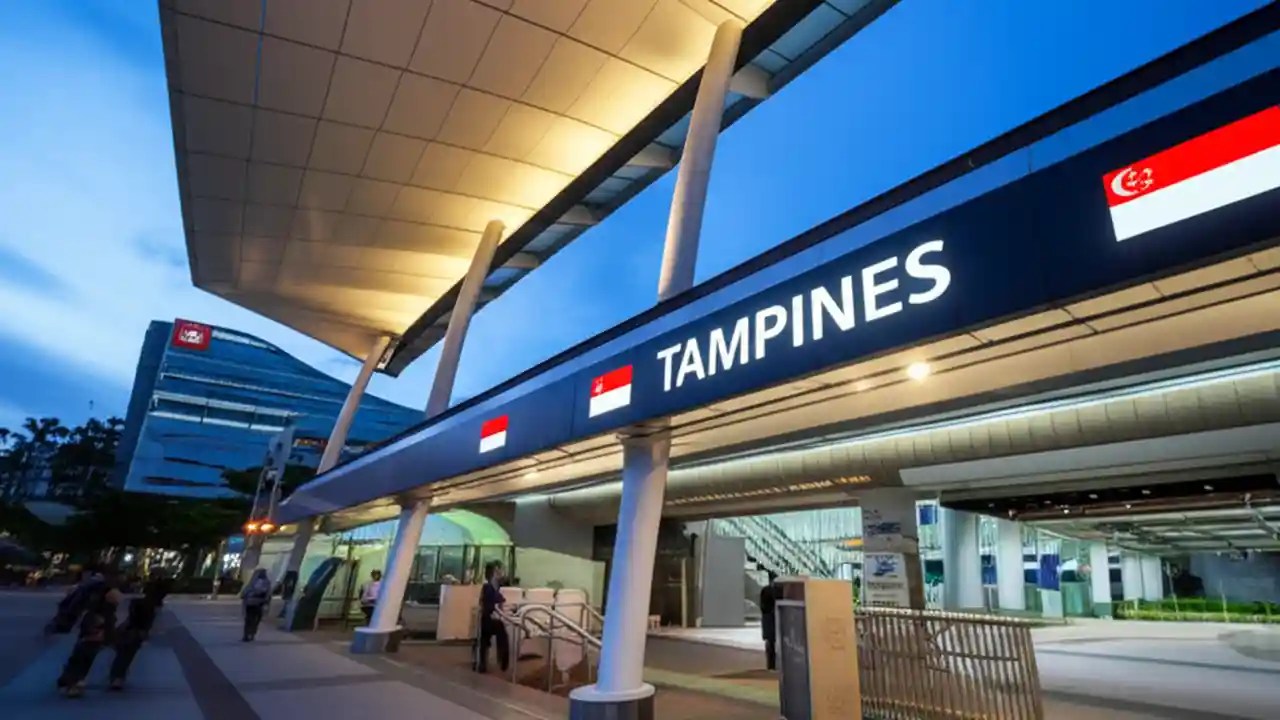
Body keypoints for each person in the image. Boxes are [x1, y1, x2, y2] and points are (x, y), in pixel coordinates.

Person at [57, 569, 122, 697]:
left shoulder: (89, 588)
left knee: (83, 652)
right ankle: (73, 681)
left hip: (91, 623)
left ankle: (71, 680)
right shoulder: (106, 591)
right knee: (86, 653)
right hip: (98, 623)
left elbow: (75, 606)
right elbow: (110, 609)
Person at [108, 578, 166, 690]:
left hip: (128, 630)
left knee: (123, 654)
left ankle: (117, 676)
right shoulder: (149, 605)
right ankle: (117, 677)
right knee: (126, 654)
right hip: (133, 631)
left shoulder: (138, 602)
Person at [475, 561, 510, 674]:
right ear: (494, 573)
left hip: (487, 619)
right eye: (498, 571)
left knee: (486, 638)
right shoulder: (489, 588)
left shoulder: (493, 587)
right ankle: (502, 660)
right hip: (488, 619)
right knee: (500, 630)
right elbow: (494, 602)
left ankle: (483, 662)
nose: (500, 573)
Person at [240, 568, 272, 642]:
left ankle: (248, 634)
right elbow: (268, 594)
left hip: (253, 603)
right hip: (257, 603)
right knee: (253, 620)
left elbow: (245, 592)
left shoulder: (253, 582)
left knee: (251, 620)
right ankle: (250, 634)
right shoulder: (266, 583)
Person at [759, 571, 779, 671]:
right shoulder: (778, 591)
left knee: (770, 643)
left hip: (767, 619)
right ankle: (775, 664)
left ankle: (771, 665)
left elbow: (762, 607)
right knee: (776, 643)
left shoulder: (765, 590)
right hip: (774, 619)